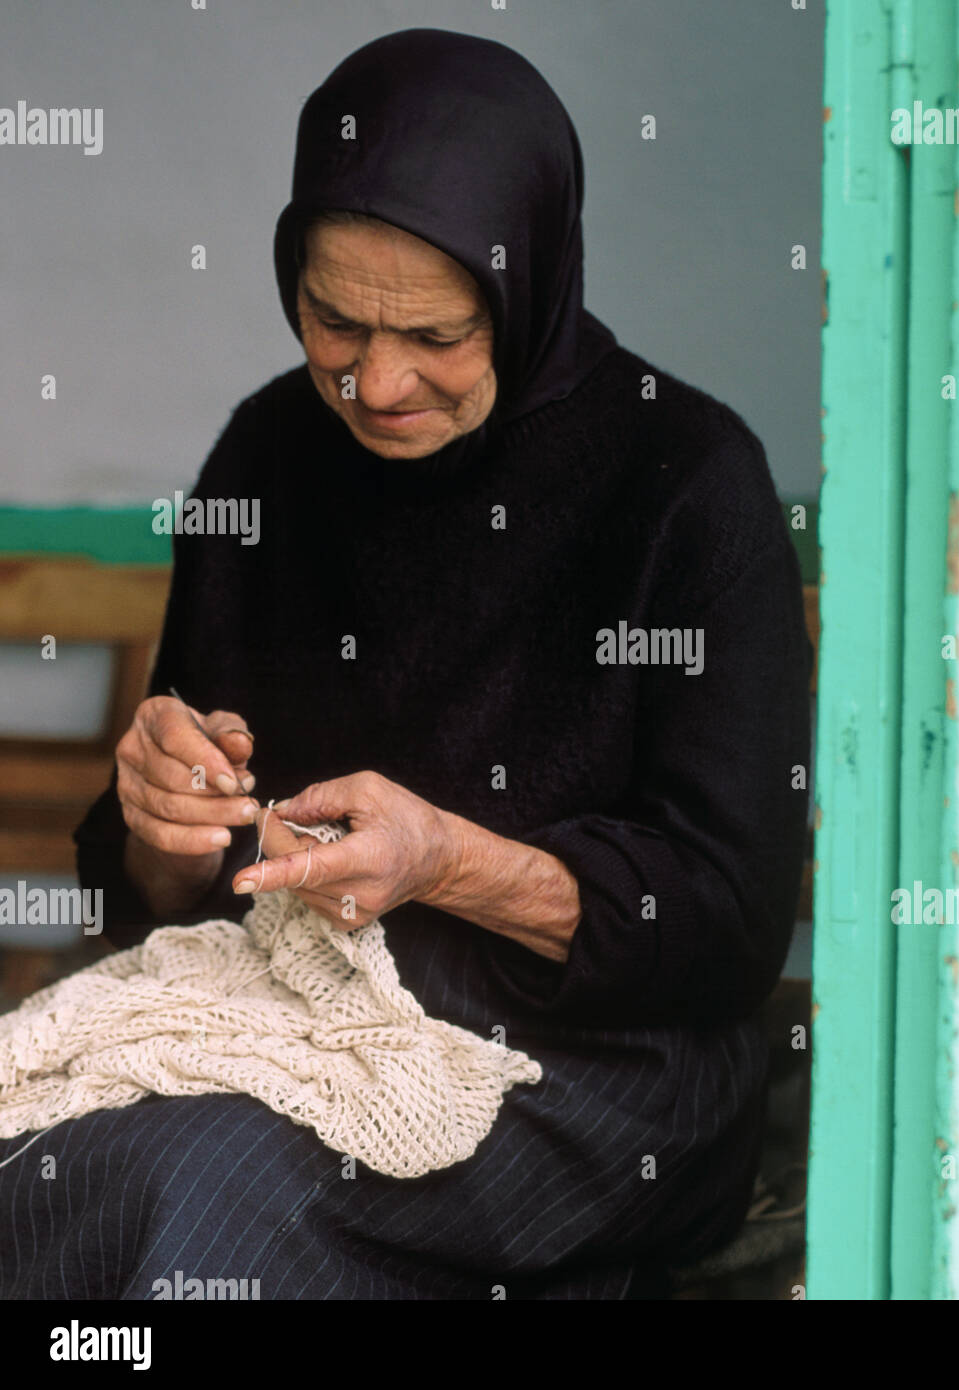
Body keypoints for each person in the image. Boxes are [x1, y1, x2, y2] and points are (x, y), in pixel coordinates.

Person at [0, 27, 810, 1300]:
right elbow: (171, 879)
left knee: (193, 1190)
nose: (374, 383)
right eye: (333, 321)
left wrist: (447, 863)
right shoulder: (267, 456)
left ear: (530, 287)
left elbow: (722, 920)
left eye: (434, 334)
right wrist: (166, 820)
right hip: (288, 1010)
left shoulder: (686, 483)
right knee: (40, 1155)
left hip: (596, 1066)